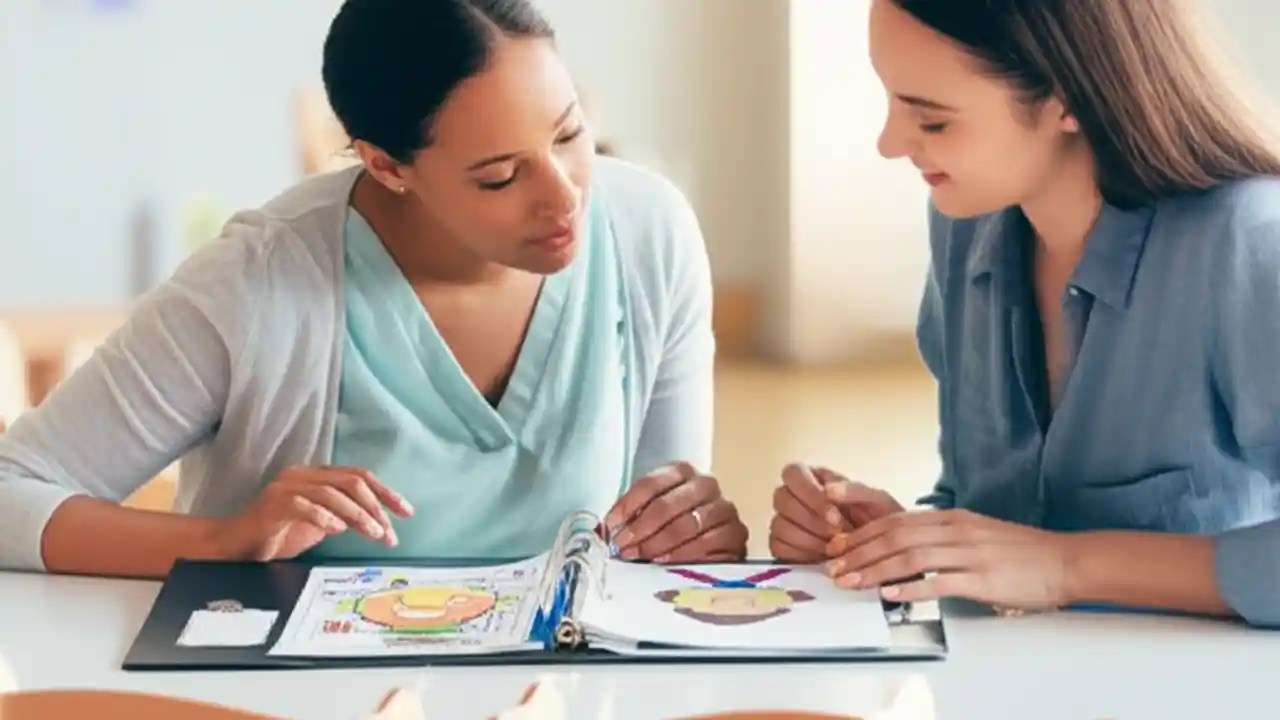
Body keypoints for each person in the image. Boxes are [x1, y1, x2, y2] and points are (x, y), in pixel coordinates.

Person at [0, 0, 748, 578]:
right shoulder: (256, 284)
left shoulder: (648, 236)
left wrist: (689, 529)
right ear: (387, 165)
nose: (565, 196)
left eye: (569, 134)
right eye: (500, 176)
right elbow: (14, 490)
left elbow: (659, 545)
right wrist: (222, 541)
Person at [770, 0, 1280, 627]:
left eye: (933, 121)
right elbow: (992, 510)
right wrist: (908, 542)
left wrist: (1068, 566)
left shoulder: (1251, 243)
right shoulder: (967, 222)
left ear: (1069, 97)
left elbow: (1044, 563)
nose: (889, 143)